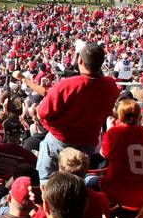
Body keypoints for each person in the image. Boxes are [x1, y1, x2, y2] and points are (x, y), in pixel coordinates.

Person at [34, 43, 120, 179]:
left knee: (46, 179)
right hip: (89, 142)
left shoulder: (67, 85)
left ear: (80, 60)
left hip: (60, 140)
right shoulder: (110, 85)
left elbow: (42, 113)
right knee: (77, 179)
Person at [99, 98, 143, 210]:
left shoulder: (114, 132)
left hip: (119, 188)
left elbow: (105, 154)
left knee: (90, 181)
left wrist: (109, 129)